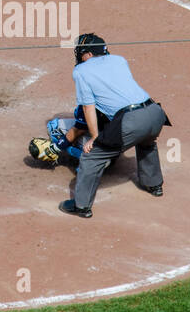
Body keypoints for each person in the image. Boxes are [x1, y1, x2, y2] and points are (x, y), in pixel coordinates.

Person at [59, 33, 169, 217]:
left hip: (131, 120)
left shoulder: (81, 71)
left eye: (81, 52)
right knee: (146, 141)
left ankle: (81, 206)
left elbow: (88, 107)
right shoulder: (119, 60)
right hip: (155, 113)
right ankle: (154, 185)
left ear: (88, 54)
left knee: (91, 157)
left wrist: (95, 137)